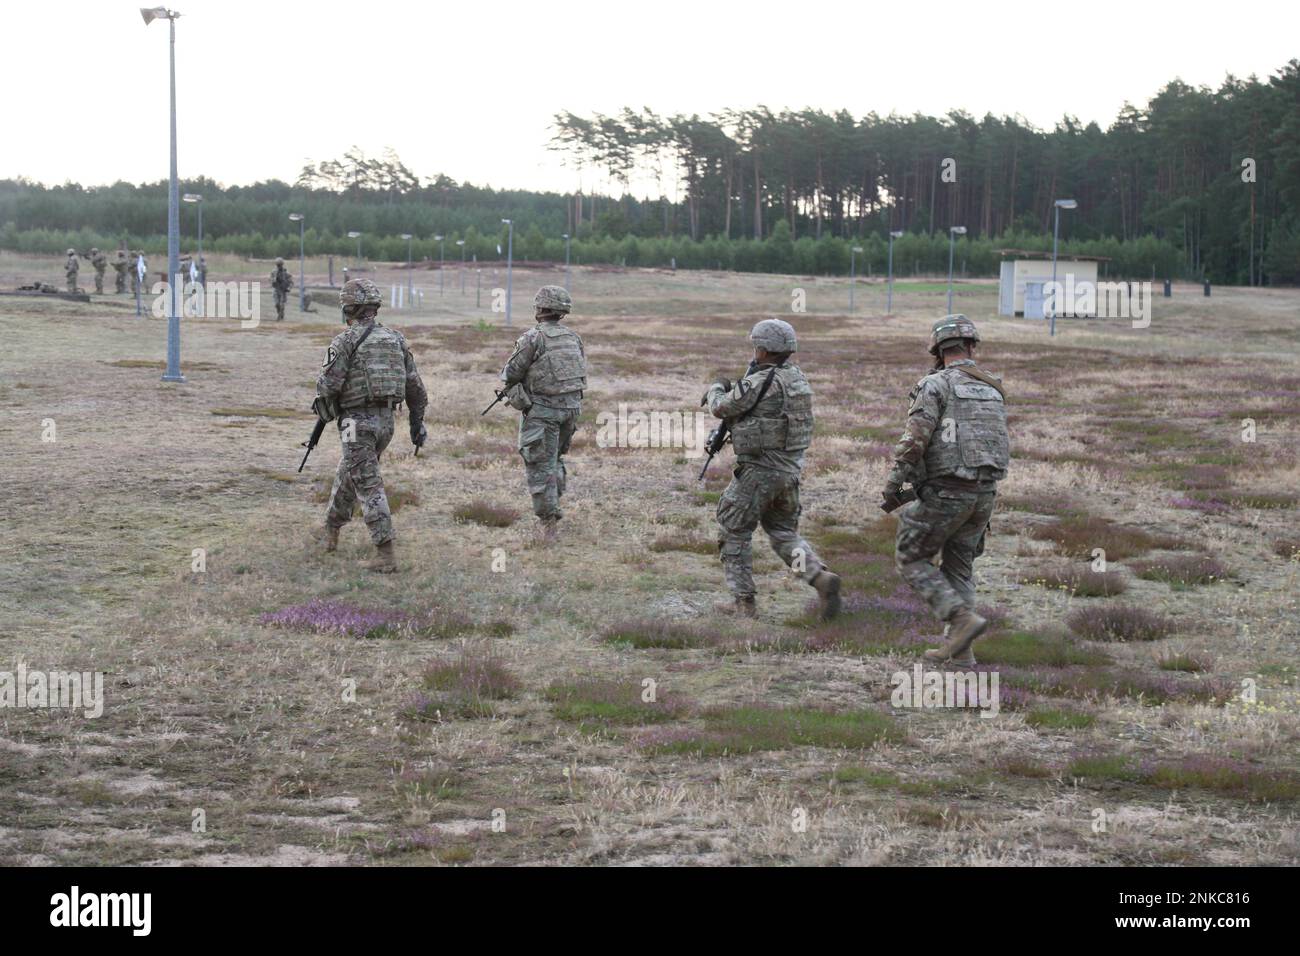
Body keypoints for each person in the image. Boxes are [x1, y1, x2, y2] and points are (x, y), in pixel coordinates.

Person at [882, 314, 1009, 665]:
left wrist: (893, 483)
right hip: (984, 495)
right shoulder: (993, 387)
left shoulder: (935, 385)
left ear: (938, 351)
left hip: (946, 492)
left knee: (911, 557)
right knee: (959, 569)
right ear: (971, 346)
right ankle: (962, 653)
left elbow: (915, 440)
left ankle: (960, 619)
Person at [703, 319, 840, 620]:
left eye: (756, 346)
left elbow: (721, 407)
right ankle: (819, 577)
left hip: (759, 472)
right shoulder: (796, 378)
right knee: (783, 532)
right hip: (789, 472)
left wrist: (715, 388)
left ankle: (743, 603)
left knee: (733, 529)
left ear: (763, 349)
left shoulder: (759, 382)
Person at [314, 278, 427, 572]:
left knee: (368, 484)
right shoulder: (396, 339)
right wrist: (416, 424)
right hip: (386, 423)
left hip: (355, 424)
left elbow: (328, 386)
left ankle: (385, 554)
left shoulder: (345, 341)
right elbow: (415, 387)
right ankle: (331, 529)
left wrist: (326, 399)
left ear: (348, 308)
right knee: (349, 473)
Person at [497, 285, 587, 542]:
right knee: (554, 459)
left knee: (540, 465)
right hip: (570, 410)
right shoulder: (573, 338)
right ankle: (553, 506)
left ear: (541, 308)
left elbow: (511, 373)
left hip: (544, 413)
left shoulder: (532, 338)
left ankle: (548, 526)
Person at [271, 257, 293, 321]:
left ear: (282, 264)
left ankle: (280, 316)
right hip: (276, 290)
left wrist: (288, 288)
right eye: (278, 265)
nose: (279, 266)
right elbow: (271, 280)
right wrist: (274, 280)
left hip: (283, 290)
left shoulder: (286, 272)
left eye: (280, 265)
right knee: (277, 304)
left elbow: (291, 282)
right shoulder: (274, 272)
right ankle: (280, 313)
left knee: (282, 304)